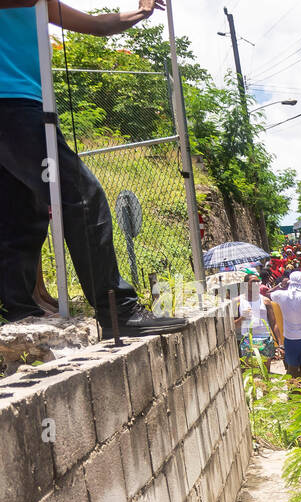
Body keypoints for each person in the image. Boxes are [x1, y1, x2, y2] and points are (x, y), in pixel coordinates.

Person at [0, 0, 182, 334]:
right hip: (12, 106)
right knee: (82, 197)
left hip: (22, 107)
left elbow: (99, 25)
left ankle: (21, 318)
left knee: (23, 214)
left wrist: (141, 12)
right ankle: (118, 311)